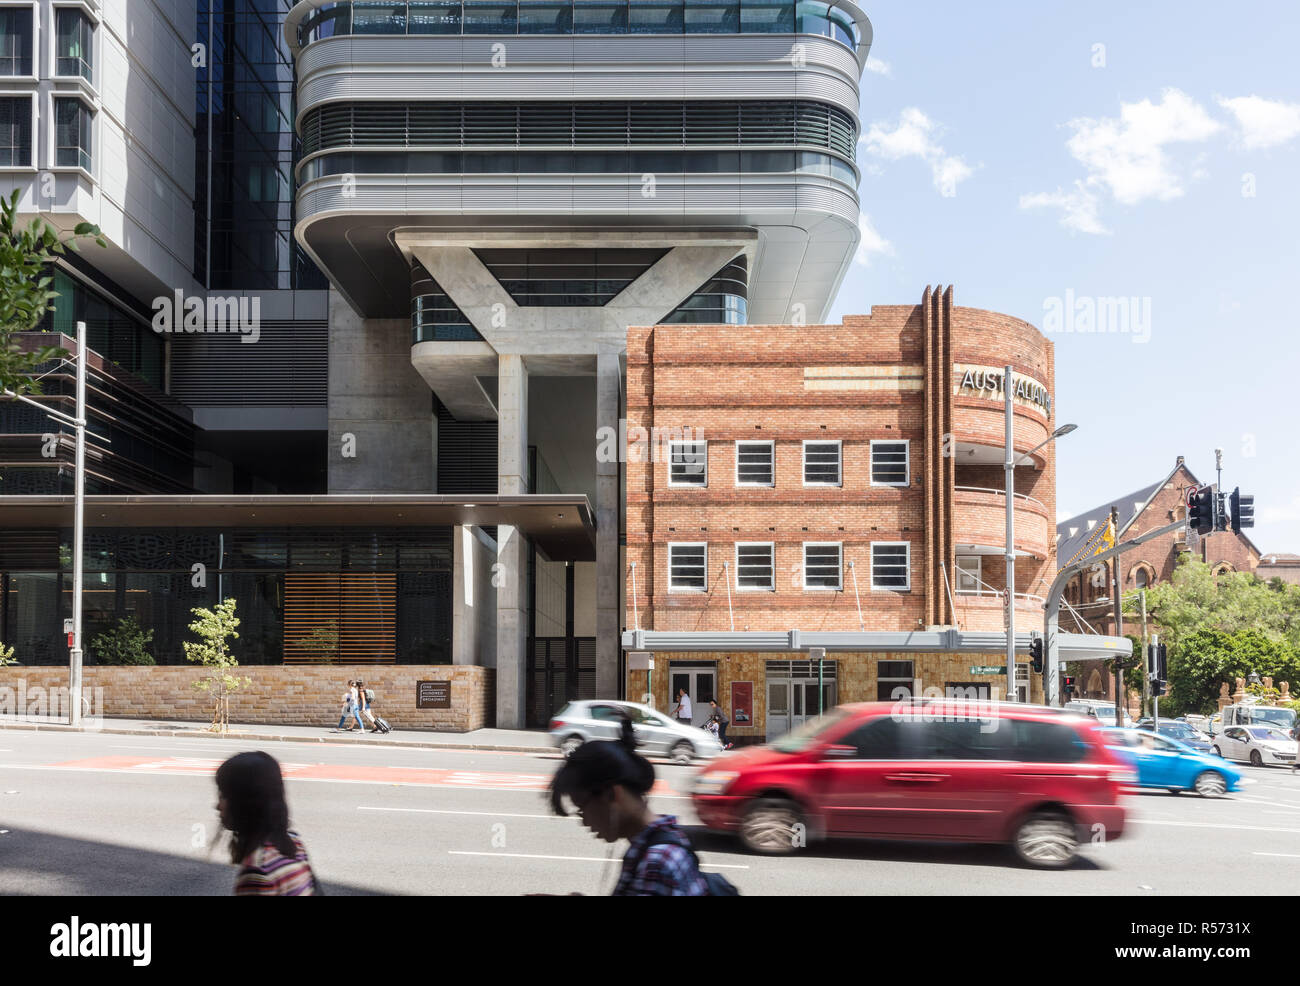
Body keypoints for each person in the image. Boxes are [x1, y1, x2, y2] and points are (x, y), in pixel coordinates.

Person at [549, 717, 711, 896]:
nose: (584, 821)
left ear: (612, 795)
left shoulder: (656, 864)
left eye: (582, 808)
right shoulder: (662, 841)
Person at [215, 752, 319, 895]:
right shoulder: (293, 843)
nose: (217, 805)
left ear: (245, 804)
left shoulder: (258, 873)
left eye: (223, 796)